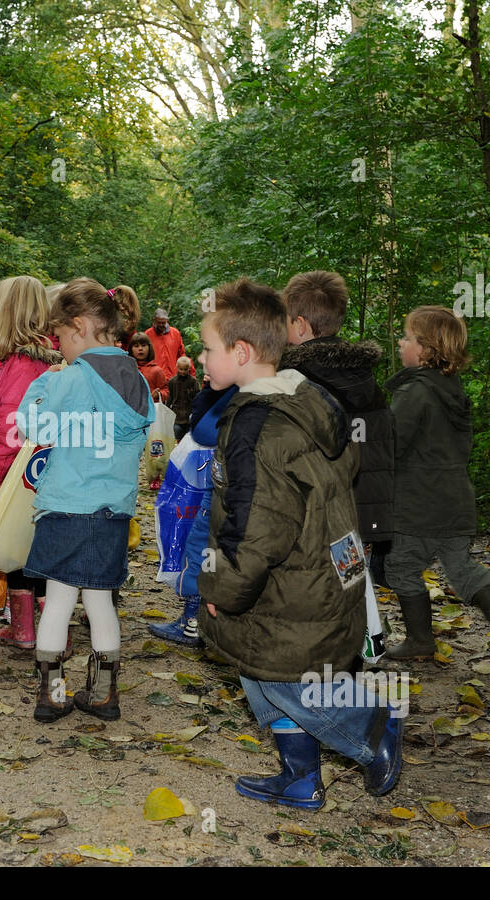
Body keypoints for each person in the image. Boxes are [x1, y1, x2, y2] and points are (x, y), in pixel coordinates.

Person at [197, 278, 402, 810]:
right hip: (325, 571)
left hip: (290, 584)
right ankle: (299, 777)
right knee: (258, 674)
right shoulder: (307, 396)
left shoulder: (256, 426)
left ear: (240, 352)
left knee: (286, 678)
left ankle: (373, 727)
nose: (200, 358)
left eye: (208, 348)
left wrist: (222, 588)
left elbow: (256, 527)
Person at [22, 278, 154, 723]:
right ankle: (103, 694)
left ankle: (54, 693)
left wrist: (45, 383)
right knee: (101, 601)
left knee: (58, 600)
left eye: (59, 337)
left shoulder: (72, 378)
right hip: (112, 511)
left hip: (65, 507)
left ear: (78, 327)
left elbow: (32, 426)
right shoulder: (136, 380)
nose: (58, 348)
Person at [384, 306, 490, 670]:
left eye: (406, 338)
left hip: (420, 502)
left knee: (401, 566)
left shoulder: (415, 392)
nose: (400, 342)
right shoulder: (453, 390)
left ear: (424, 349)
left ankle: (420, 639)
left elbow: (391, 444)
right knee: (461, 567)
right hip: (456, 499)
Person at [282, 270, 394, 664]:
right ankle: (370, 648)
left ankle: (328, 660)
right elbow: (381, 447)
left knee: (318, 585)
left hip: (317, 508)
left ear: (299, 325)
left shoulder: (296, 380)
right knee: (351, 576)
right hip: (361, 506)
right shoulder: (366, 380)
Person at [0, 276, 63, 650]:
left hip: (19, 474)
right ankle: (41, 629)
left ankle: (33, 630)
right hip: (47, 471)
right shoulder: (50, 358)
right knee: (37, 550)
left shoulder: (21, 365)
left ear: (8, 316)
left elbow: (9, 428)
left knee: (16, 548)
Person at [147, 380, 238, 645]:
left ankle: (192, 624)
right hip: (231, 482)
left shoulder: (239, 388)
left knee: (200, 544)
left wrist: (210, 390)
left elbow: (204, 429)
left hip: (219, 482)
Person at [146, 307, 193, 379]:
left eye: (163, 322)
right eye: (159, 322)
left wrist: (190, 373)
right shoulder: (148, 335)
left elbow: (181, 354)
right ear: (154, 320)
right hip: (156, 377)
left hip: (174, 376)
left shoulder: (175, 333)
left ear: (167, 320)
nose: (161, 325)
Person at [166, 355, 201, 442]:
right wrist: (166, 408)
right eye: (181, 369)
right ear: (177, 367)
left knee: (189, 437)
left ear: (189, 368)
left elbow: (198, 396)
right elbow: (170, 396)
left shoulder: (193, 381)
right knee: (177, 435)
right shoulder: (172, 381)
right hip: (176, 414)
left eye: (185, 369)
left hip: (189, 413)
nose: (183, 371)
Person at [129, 331, 169, 402]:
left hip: (152, 409)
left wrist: (159, 394)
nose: (140, 349)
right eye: (136, 346)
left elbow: (166, 391)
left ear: (149, 347)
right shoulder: (127, 369)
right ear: (131, 349)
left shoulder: (157, 370)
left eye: (143, 345)